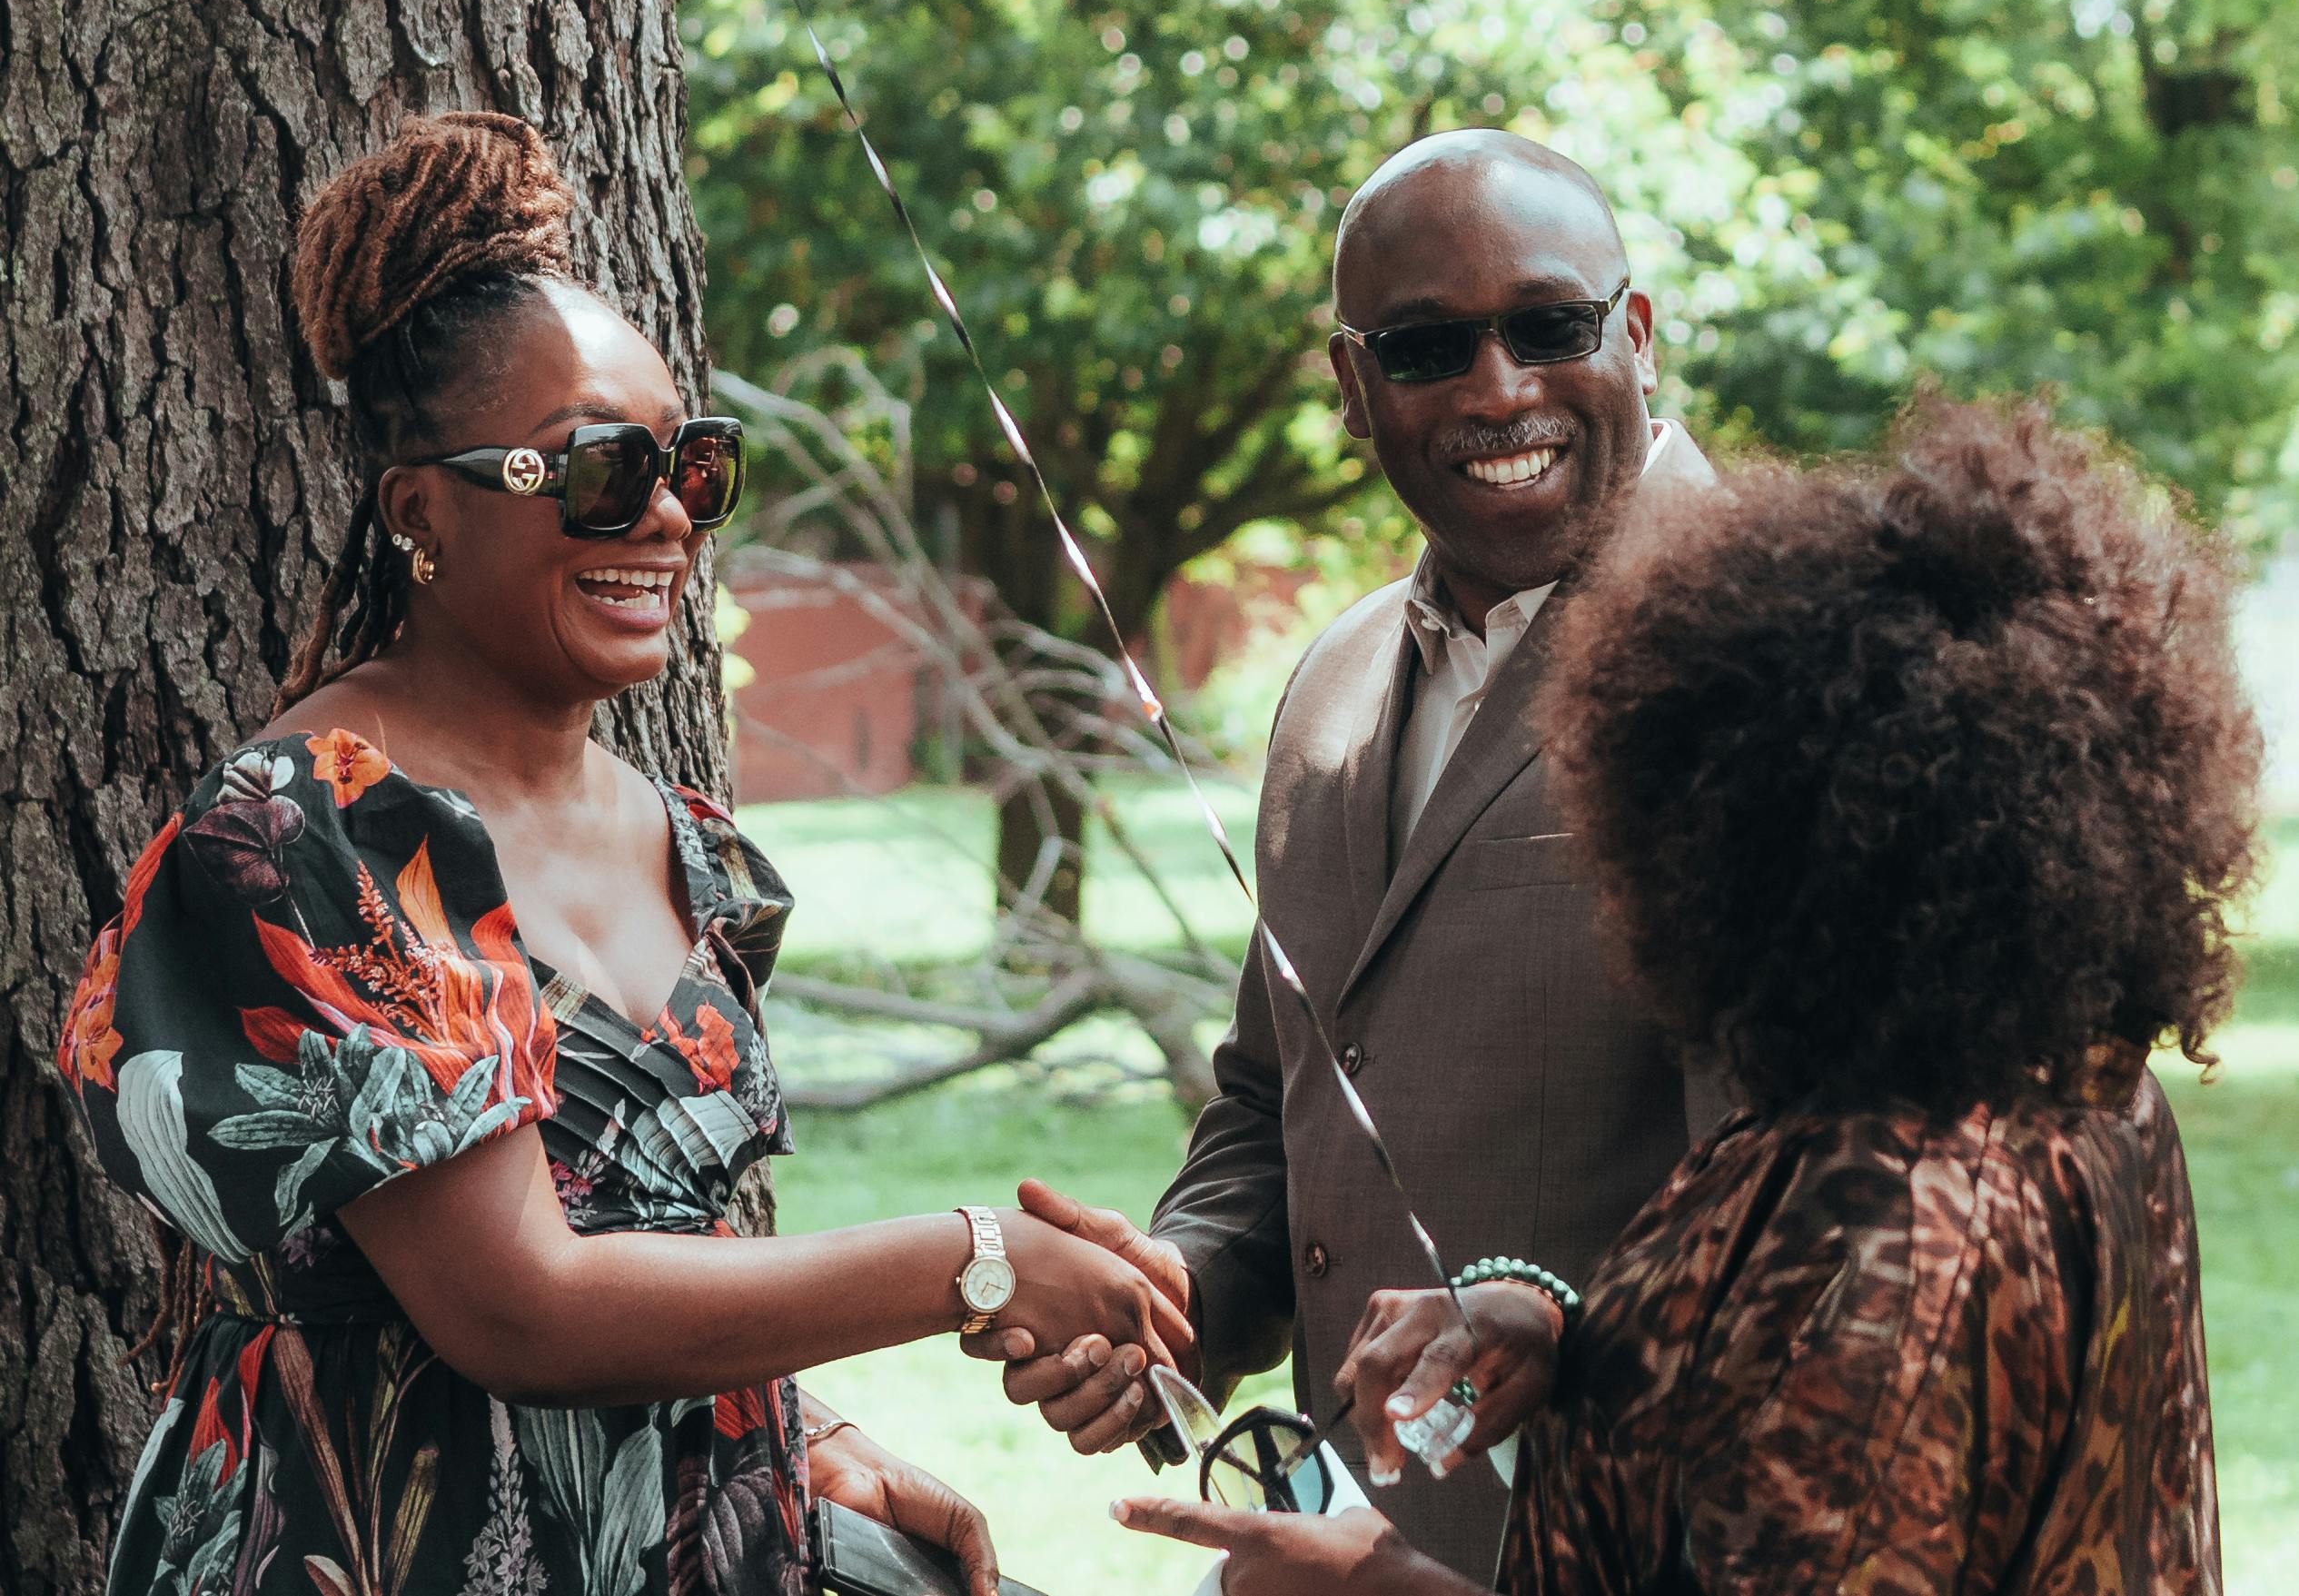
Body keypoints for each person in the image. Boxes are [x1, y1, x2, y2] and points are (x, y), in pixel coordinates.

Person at [52, 113, 1189, 1596]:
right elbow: (519, 1305)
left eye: (691, 467)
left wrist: (808, 1425)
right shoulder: (302, 832)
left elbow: (659, 1233)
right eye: (597, 470)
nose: (663, 516)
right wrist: (976, 1257)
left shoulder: (686, 843)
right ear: (420, 514)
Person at [1114, 398, 2254, 1594]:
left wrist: (1387, 1583)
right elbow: (1738, 1377)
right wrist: (1556, 1326)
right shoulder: (2043, 1103)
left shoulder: (1910, 1221)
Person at [973, 129, 1730, 1581]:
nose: (1498, 387)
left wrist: (1553, 1319)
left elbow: (1827, 1220)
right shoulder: (1334, 676)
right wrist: (1176, 1291)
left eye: (1550, 325)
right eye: (1428, 346)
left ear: (1635, 333)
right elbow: (1280, 1093)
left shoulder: (1778, 650)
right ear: (1352, 387)